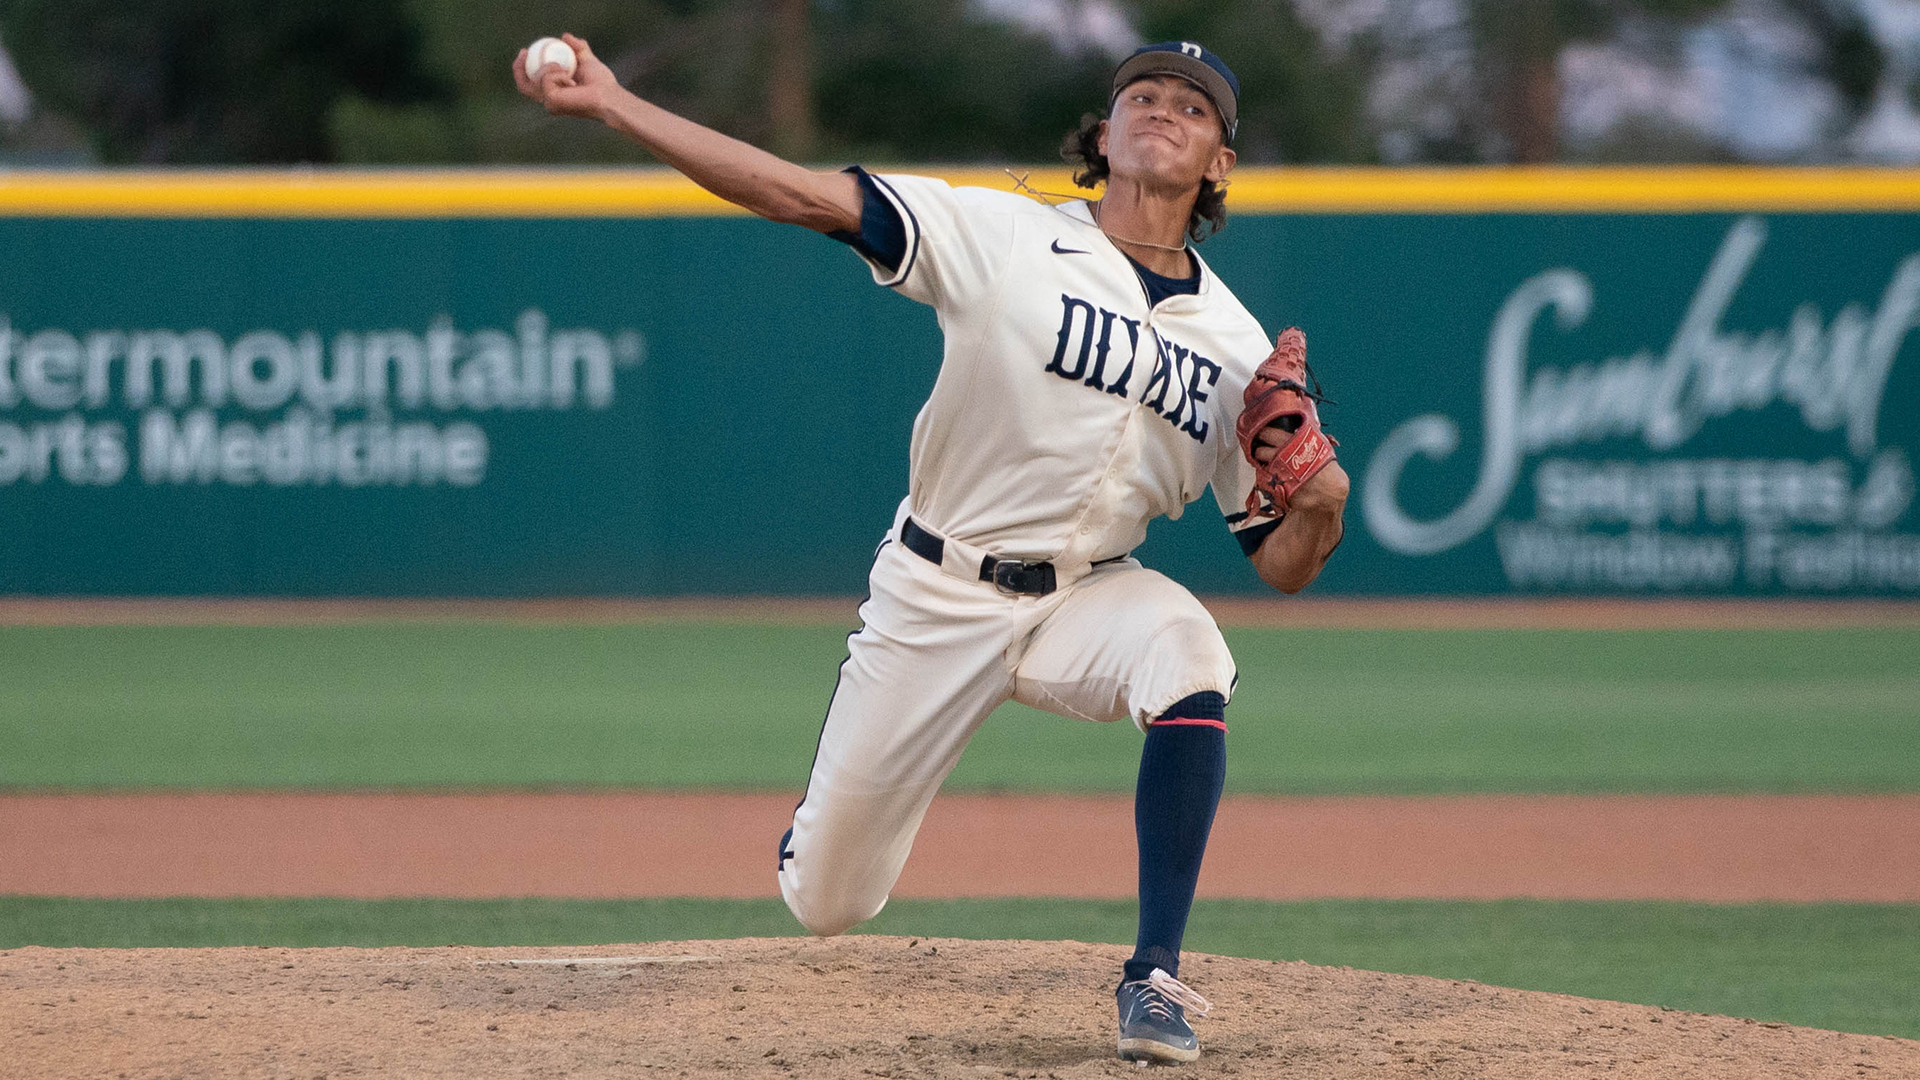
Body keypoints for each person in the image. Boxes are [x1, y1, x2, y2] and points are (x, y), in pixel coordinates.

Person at [516, 34, 1349, 1064]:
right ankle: (820, 825)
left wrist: (1323, 503)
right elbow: (795, 192)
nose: (1162, 109)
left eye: (1192, 104)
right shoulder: (1002, 235)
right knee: (827, 900)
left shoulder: (1237, 347)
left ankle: (1156, 977)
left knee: (1190, 654)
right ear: (1106, 130)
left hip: (1087, 597)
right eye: (1143, 93)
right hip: (936, 591)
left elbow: (1281, 561)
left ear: (1221, 161)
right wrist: (616, 105)